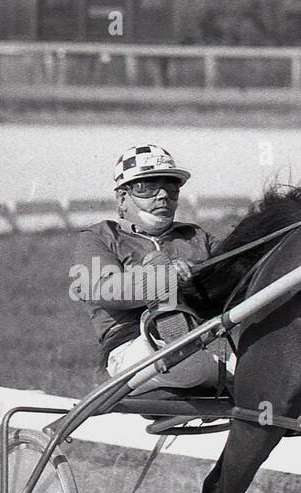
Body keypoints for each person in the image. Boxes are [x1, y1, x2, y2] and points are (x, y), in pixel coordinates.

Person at [72, 144, 226, 393]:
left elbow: (234, 274)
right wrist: (163, 277)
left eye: (172, 187)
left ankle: (178, 332)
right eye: (149, 187)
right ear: (123, 197)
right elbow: (102, 289)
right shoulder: (99, 237)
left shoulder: (196, 235)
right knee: (158, 264)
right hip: (133, 349)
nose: (163, 195)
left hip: (211, 343)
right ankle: (168, 327)